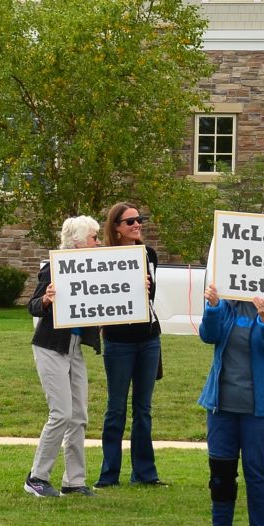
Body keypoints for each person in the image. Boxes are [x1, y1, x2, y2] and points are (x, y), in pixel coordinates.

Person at [193, 282, 264, 526]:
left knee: (255, 470)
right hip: (222, 405)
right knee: (221, 473)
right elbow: (208, 335)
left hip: (262, 409)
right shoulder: (227, 302)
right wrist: (212, 307)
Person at [25, 215, 102, 498]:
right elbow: (32, 306)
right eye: (94, 238)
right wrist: (46, 299)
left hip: (75, 347)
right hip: (50, 346)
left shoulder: (96, 270)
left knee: (79, 415)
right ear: (78, 242)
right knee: (61, 413)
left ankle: (74, 480)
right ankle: (37, 477)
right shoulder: (54, 268)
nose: (98, 243)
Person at [97, 200, 163, 488]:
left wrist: (147, 287)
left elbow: (150, 298)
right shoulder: (104, 257)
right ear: (116, 228)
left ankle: (145, 473)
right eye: (130, 221)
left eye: (139, 219)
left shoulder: (149, 254)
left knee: (143, 409)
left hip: (148, 339)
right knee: (116, 409)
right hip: (119, 341)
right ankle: (109, 475)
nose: (137, 224)